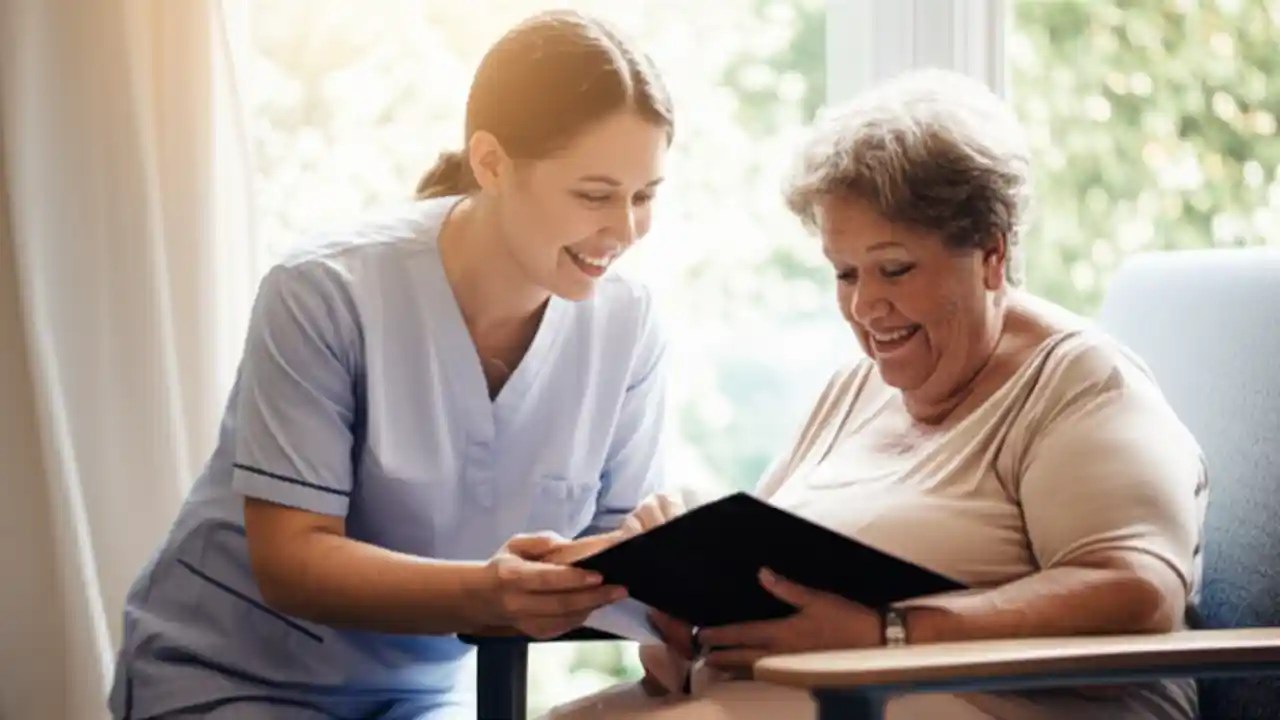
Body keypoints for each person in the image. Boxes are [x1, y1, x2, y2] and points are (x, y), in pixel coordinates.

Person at [548, 69, 1207, 720]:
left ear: (991, 256)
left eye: (895, 269)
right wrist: (688, 616)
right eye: (845, 273)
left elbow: (1136, 591)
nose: (865, 306)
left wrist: (889, 635)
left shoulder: (1080, 383)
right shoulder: (853, 392)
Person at [108, 10, 675, 719]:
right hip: (228, 678)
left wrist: (669, 586)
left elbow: (612, 552)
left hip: (414, 698)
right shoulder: (323, 290)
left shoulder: (627, 323)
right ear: (492, 162)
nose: (624, 230)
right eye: (595, 195)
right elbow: (292, 562)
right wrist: (489, 592)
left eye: (645, 196)